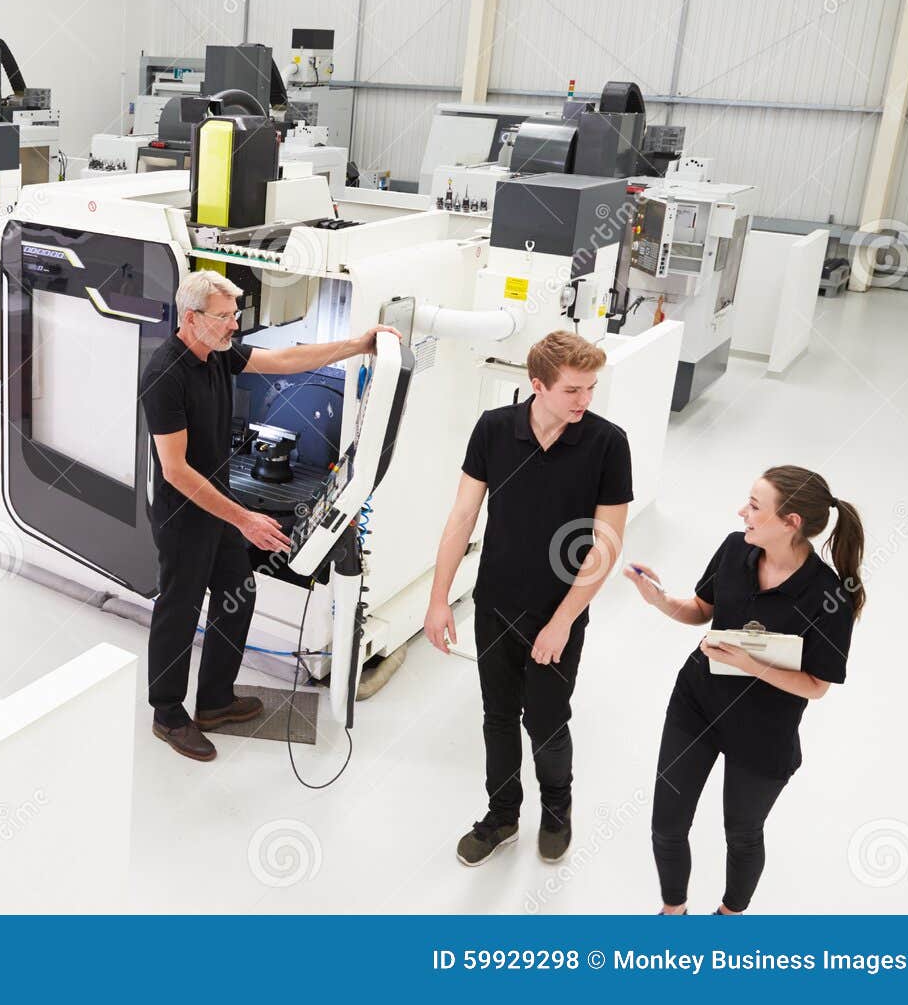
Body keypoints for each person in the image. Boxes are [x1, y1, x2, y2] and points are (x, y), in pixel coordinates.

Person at [138, 269, 402, 762]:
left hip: (219, 506)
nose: (233, 326)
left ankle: (215, 700)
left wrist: (358, 345)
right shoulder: (164, 375)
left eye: (234, 316)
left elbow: (284, 359)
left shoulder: (215, 354)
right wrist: (243, 518)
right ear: (192, 319)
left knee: (239, 592)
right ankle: (168, 713)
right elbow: (175, 471)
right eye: (224, 317)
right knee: (179, 607)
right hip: (184, 514)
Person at [423, 331, 632, 865]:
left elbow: (605, 546)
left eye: (591, 388)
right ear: (536, 386)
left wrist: (562, 621)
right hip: (495, 604)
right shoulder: (494, 430)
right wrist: (438, 598)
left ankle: (558, 810)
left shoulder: (608, 443)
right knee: (497, 716)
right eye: (573, 390)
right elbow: (462, 516)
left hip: (558, 611)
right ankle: (502, 816)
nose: (585, 400)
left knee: (544, 718)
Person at [627, 466, 864, 915]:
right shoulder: (736, 549)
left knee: (742, 832)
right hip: (696, 703)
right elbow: (701, 609)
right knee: (667, 825)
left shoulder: (829, 596)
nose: (742, 513)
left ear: (791, 522)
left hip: (764, 731)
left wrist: (752, 666)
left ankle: (730, 917)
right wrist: (659, 598)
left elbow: (817, 686)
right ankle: (672, 913)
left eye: (755, 507)